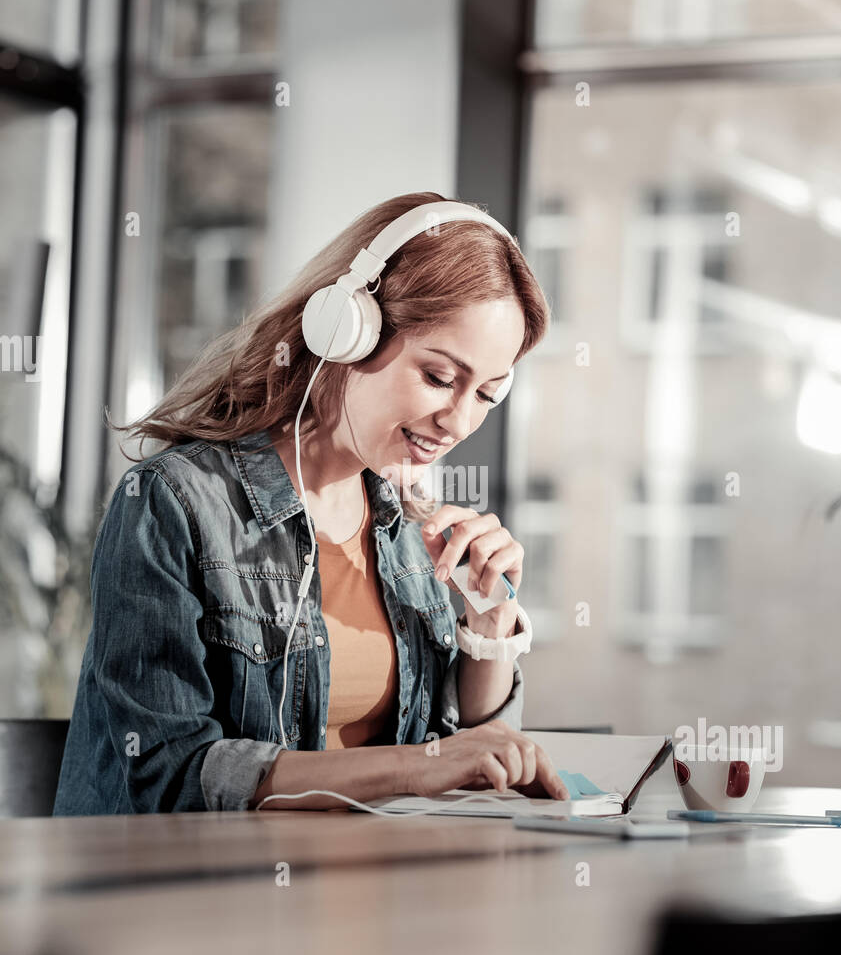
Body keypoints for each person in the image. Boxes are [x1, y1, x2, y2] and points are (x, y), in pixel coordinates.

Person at [53, 190, 567, 814]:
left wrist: (488, 631)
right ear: (348, 330)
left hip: (388, 892)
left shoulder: (413, 527)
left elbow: (468, 753)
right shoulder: (175, 503)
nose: (458, 420)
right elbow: (165, 774)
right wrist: (413, 767)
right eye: (438, 377)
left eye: (486, 394)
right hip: (208, 897)